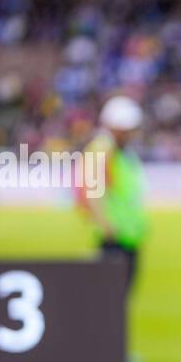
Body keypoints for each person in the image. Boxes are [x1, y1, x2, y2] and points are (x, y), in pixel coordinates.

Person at [75, 95, 149, 297]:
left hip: (129, 235)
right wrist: (106, 226)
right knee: (111, 301)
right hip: (115, 237)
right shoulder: (103, 149)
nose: (131, 133)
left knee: (118, 300)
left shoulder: (123, 152)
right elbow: (91, 190)